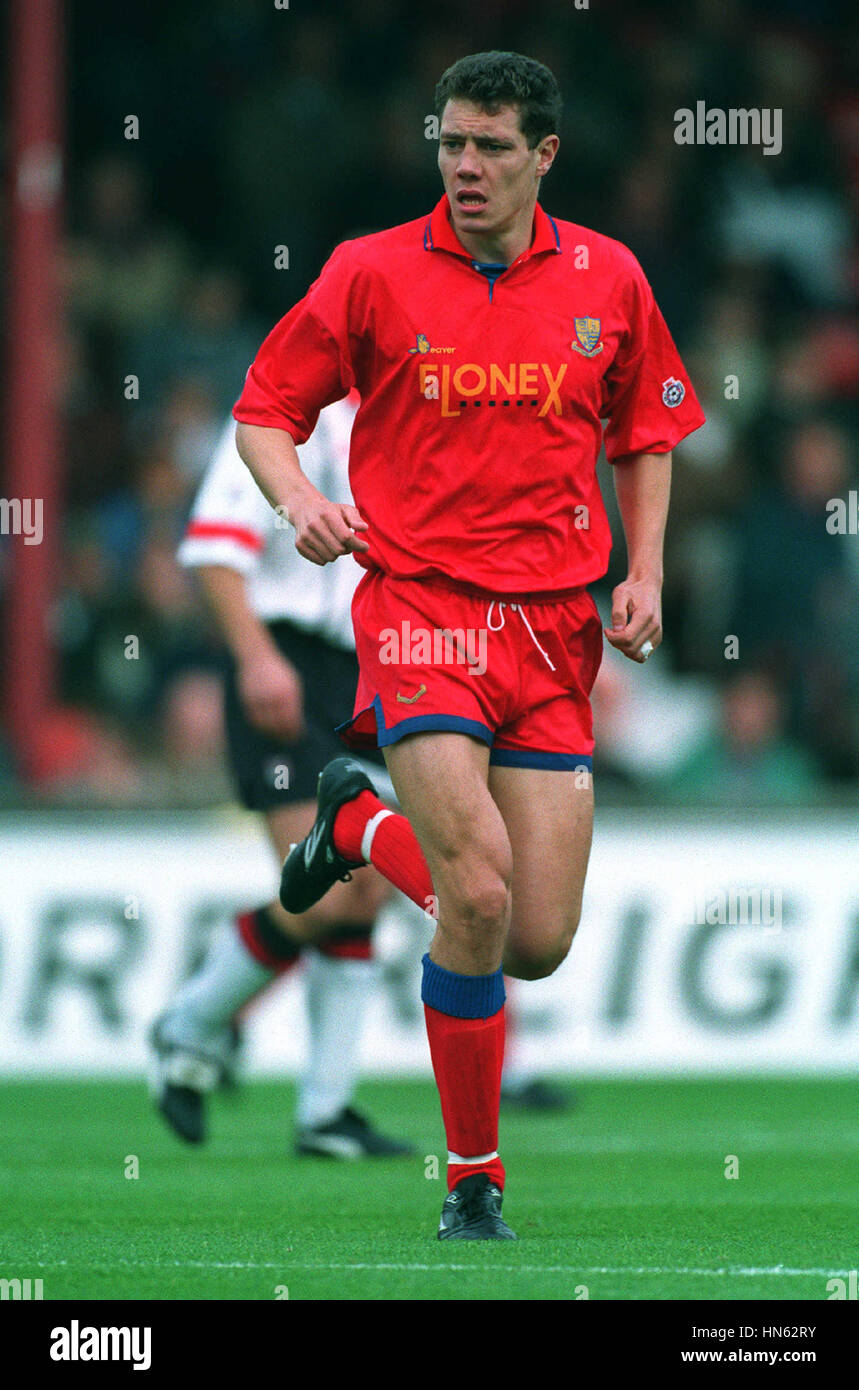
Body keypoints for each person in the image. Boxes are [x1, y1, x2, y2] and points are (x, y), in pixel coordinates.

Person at [233, 51, 705, 1239]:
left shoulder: (609, 276)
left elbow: (645, 428)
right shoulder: (369, 271)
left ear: (544, 155)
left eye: (491, 147)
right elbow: (262, 413)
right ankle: (471, 1178)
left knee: (533, 941)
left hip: (553, 633)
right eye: (450, 143)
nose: (465, 167)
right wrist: (298, 502)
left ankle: (352, 822)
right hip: (421, 611)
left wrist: (642, 569)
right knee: (477, 894)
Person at [149, 397, 413, 1159]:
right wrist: (258, 658)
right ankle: (192, 1022)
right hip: (284, 660)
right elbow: (212, 550)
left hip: (361, 669)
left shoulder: (405, 412)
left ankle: (325, 1109)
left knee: (365, 884)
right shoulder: (280, 420)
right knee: (332, 882)